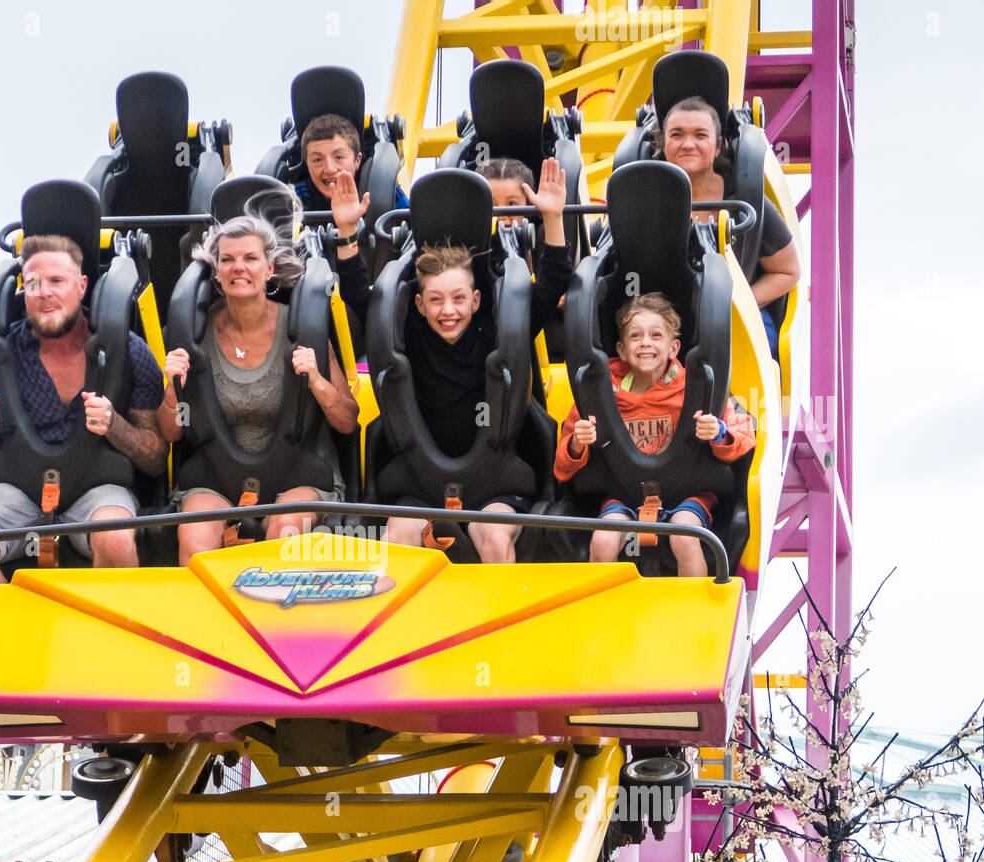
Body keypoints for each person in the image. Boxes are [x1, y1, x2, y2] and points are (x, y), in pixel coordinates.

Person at [331, 157, 573, 563]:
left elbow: (552, 284)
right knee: (399, 537)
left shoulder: (499, 329)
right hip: (419, 479)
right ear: (421, 304)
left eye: (459, 299)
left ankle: (500, 624)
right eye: (437, 301)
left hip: (494, 476)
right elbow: (360, 296)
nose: (449, 311)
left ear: (476, 300)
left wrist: (552, 219)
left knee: (492, 536)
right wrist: (345, 232)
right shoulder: (408, 331)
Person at [0, 235, 166, 583]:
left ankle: (106, 634)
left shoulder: (130, 353)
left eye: (56, 281)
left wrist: (114, 426)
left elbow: (155, 460)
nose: (44, 292)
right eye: (33, 283)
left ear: (81, 286)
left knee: (116, 537)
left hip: (98, 489)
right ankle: (16, 634)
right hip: (16, 490)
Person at [160, 213, 359, 565]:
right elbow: (171, 432)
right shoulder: (192, 335)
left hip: (297, 469)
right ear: (217, 272)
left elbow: (347, 422)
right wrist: (172, 387)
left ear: (269, 269)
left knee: (284, 529)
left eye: (250, 258)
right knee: (193, 535)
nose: (239, 268)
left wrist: (316, 380)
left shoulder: (301, 329)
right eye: (228, 260)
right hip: (217, 472)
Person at [554, 293, 754, 577]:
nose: (645, 342)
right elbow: (562, 467)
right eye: (635, 336)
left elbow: (744, 435)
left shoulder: (697, 389)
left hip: (688, 493)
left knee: (684, 537)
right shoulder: (599, 394)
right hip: (625, 492)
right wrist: (577, 444)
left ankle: (693, 609)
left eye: (656, 335)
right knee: (602, 539)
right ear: (622, 350)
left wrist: (718, 433)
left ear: (674, 348)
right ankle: (600, 612)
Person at [661, 96, 800, 354]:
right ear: (665, 143)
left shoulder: (746, 201)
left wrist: (738, 305)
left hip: (735, 320)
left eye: (700, 135)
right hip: (665, 321)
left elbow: (788, 272)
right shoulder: (645, 200)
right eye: (677, 135)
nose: (688, 144)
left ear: (717, 147)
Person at [294, 113, 407, 213]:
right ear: (307, 164)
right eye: (317, 160)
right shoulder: (293, 198)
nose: (329, 169)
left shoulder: (383, 192)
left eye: (338, 157)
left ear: (357, 160)